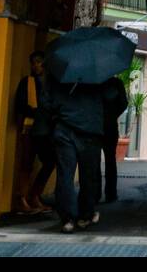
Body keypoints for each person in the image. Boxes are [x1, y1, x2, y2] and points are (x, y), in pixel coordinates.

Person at [43, 72, 105, 232]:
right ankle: (85, 216)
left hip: (64, 128)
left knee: (65, 175)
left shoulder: (59, 72)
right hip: (90, 130)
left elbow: (46, 102)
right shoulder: (97, 73)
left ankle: (68, 219)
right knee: (88, 176)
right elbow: (110, 99)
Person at [13, 52, 55, 213]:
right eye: (33, 62)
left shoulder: (50, 83)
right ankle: (22, 199)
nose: (36, 65)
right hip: (29, 128)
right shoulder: (27, 82)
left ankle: (34, 195)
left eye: (39, 62)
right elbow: (20, 107)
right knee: (26, 164)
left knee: (50, 161)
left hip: (45, 130)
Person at [100, 76, 128, 203]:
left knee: (93, 161)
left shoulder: (94, 82)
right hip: (110, 126)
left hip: (94, 125)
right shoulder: (117, 83)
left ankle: (94, 193)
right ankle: (111, 193)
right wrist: (112, 115)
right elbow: (123, 103)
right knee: (110, 160)